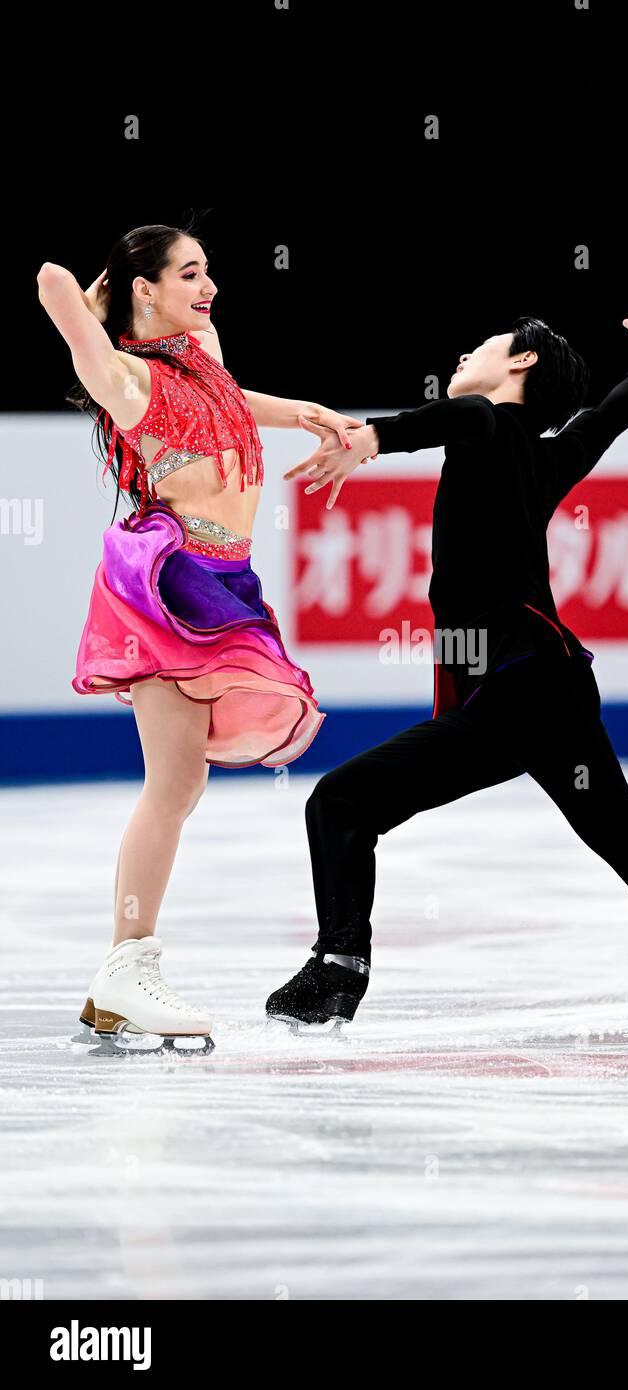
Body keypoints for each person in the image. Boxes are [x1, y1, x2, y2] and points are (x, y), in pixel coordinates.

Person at [266, 276, 628, 1041]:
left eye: (488, 344)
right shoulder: (542, 459)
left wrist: (371, 438)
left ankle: (340, 967)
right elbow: (605, 421)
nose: (466, 352)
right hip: (549, 692)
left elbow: (459, 413)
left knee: (340, 803)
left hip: (520, 691)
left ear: (522, 363)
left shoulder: (485, 423)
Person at [37, 222, 365, 1051]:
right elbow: (49, 282)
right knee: (173, 785)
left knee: (181, 785)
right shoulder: (123, 378)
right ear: (145, 287)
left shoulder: (202, 347)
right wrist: (107, 291)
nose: (208, 284)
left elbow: (228, 402)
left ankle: (123, 972)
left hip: (227, 578)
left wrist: (306, 413)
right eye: (189, 273)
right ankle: (127, 963)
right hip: (165, 579)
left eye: (209, 270)